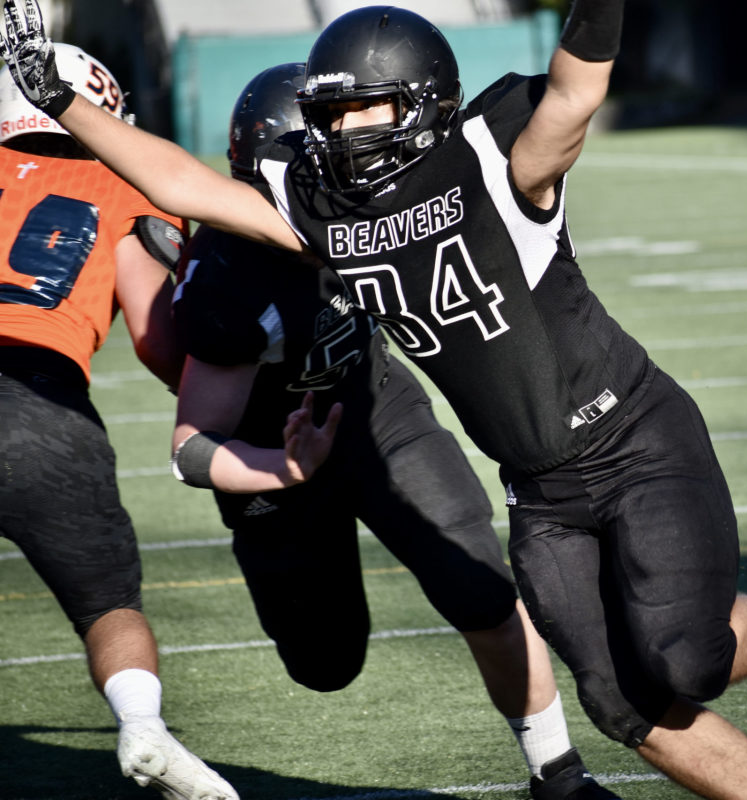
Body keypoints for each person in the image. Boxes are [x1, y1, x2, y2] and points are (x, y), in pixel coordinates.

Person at [0, 4, 747, 799]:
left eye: (361, 108)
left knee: (684, 662)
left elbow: (575, 96)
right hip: (542, 490)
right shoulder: (326, 215)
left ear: (421, 100)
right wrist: (61, 99)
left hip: (635, 439)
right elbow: (185, 187)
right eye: (331, 112)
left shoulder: (494, 163)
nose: (340, 130)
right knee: (624, 707)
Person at [171, 61, 619, 800]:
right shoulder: (233, 273)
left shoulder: (380, 207)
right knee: (325, 663)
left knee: (479, 584)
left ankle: (558, 774)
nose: (349, 175)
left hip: (379, 410)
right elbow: (190, 446)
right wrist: (280, 471)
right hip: (275, 455)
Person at [0, 42, 238, 800]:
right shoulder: (126, 181)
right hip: (42, 402)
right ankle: (143, 726)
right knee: (108, 606)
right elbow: (157, 338)